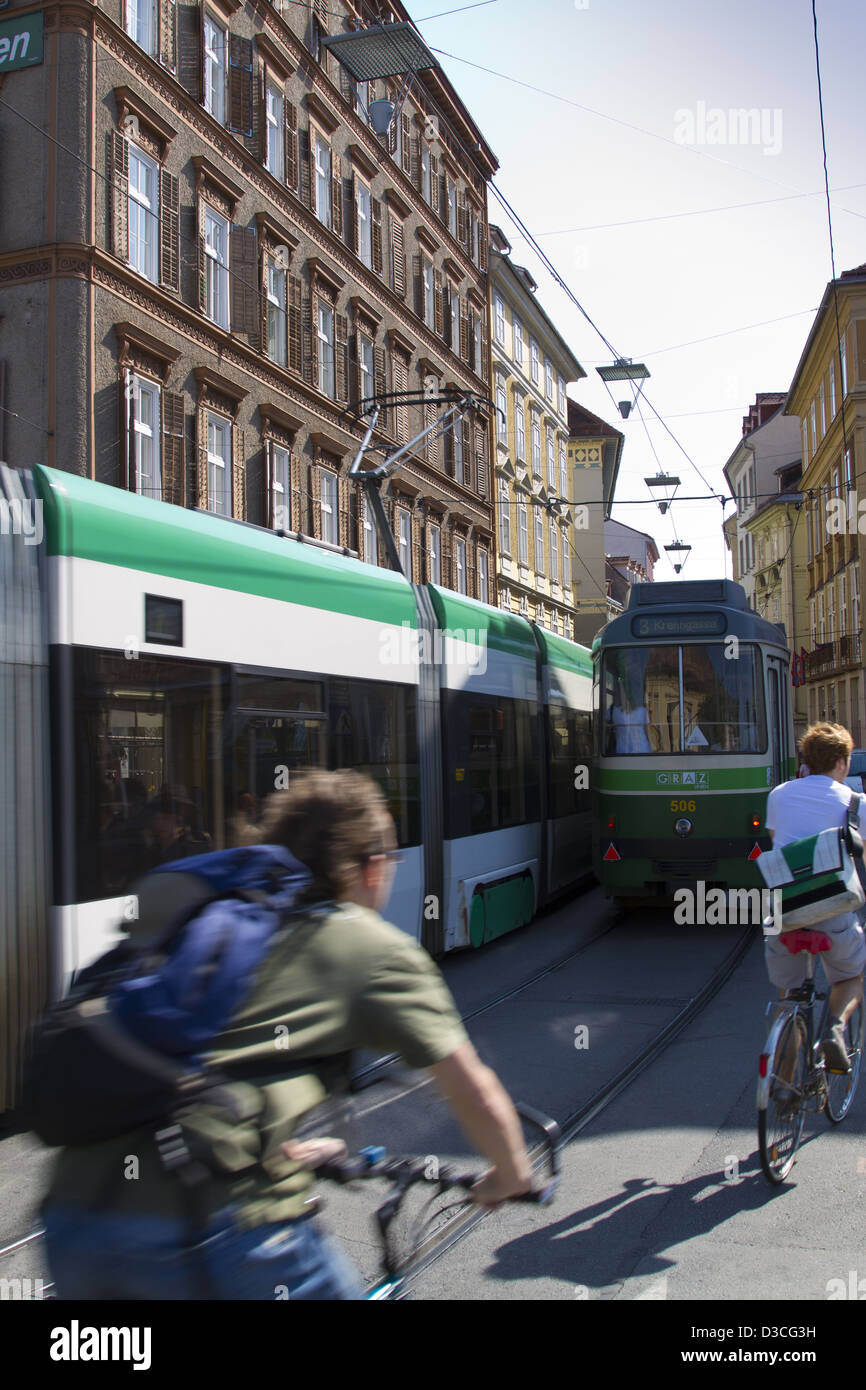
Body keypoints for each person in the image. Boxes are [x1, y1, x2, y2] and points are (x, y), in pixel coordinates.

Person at [41, 770, 533, 1300]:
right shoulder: (369, 946)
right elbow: (472, 1090)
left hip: (73, 1220)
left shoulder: (225, 916)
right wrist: (509, 1175)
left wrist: (283, 1144)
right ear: (370, 869)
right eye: (391, 860)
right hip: (206, 1229)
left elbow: (205, 1062)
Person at [764, 723, 866, 1072]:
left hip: (785, 910)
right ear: (841, 761)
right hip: (832, 907)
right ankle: (835, 1032)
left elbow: (781, 842)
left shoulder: (778, 794)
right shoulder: (855, 803)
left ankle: (786, 1084)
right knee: (850, 976)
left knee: (789, 993)